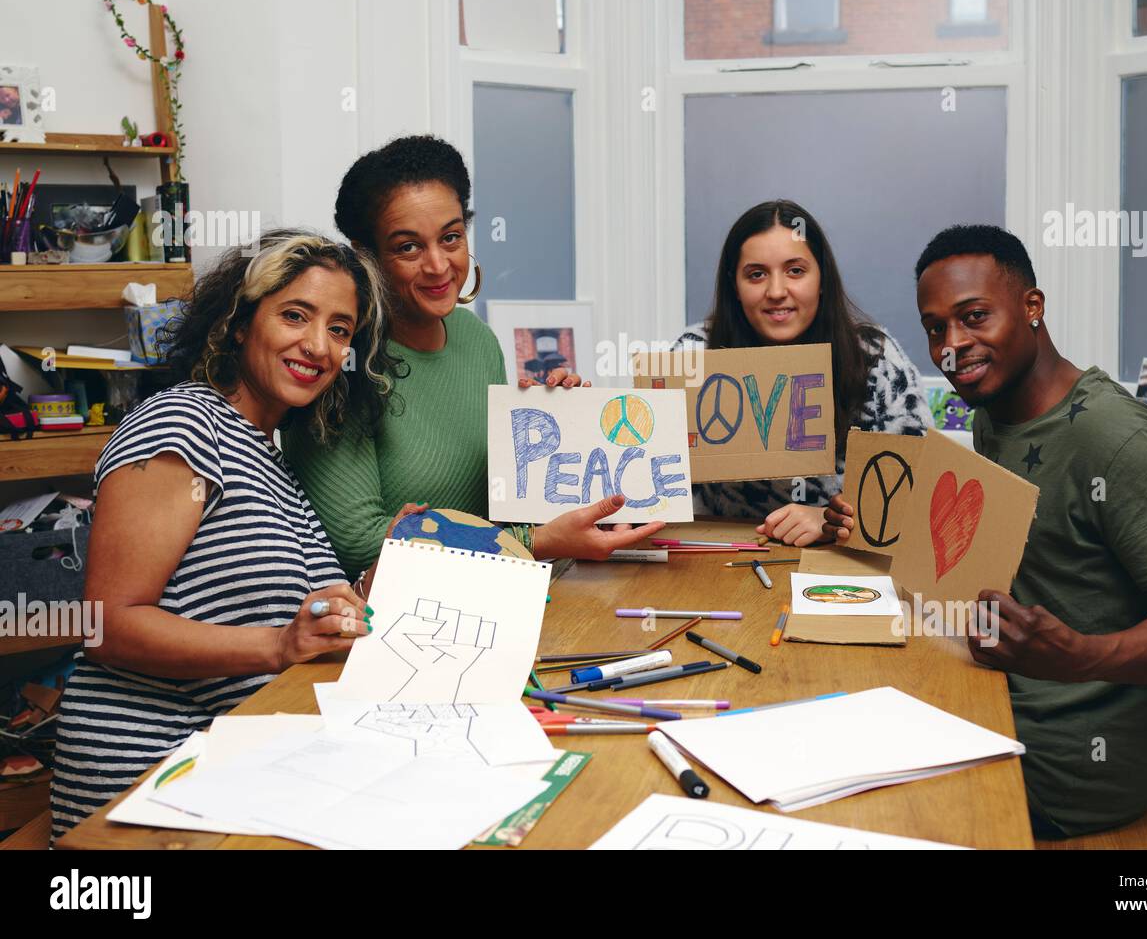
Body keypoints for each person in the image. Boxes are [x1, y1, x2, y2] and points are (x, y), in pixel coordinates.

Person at [823, 224, 1147, 837]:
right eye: (935, 328)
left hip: (1072, 765)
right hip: (993, 704)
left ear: (1032, 308)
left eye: (974, 317)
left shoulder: (1115, 437)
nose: (952, 346)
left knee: (847, 805)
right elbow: (1038, 558)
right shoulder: (997, 411)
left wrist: (1081, 655)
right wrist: (888, 530)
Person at [50, 230, 401, 839]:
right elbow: (107, 625)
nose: (318, 345)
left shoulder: (269, 455)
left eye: (340, 329)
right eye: (295, 315)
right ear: (240, 323)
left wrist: (369, 586)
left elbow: (270, 608)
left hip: (242, 772)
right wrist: (278, 646)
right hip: (148, 788)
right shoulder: (182, 424)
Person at [284, 135, 663, 578]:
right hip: (396, 624)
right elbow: (359, 543)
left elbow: (500, 510)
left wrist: (555, 441)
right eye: (408, 247)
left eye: (450, 237)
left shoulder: (477, 340)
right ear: (364, 254)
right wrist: (534, 544)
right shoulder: (339, 363)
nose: (439, 266)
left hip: (500, 597)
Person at [671, 199, 930, 545]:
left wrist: (829, 519)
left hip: (843, 563)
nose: (776, 292)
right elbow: (653, 469)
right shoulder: (696, 354)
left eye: (795, 271)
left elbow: (917, 484)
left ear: (822, 279)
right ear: (735, 285)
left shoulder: (875, 357)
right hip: (722, 557)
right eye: (756, 274)